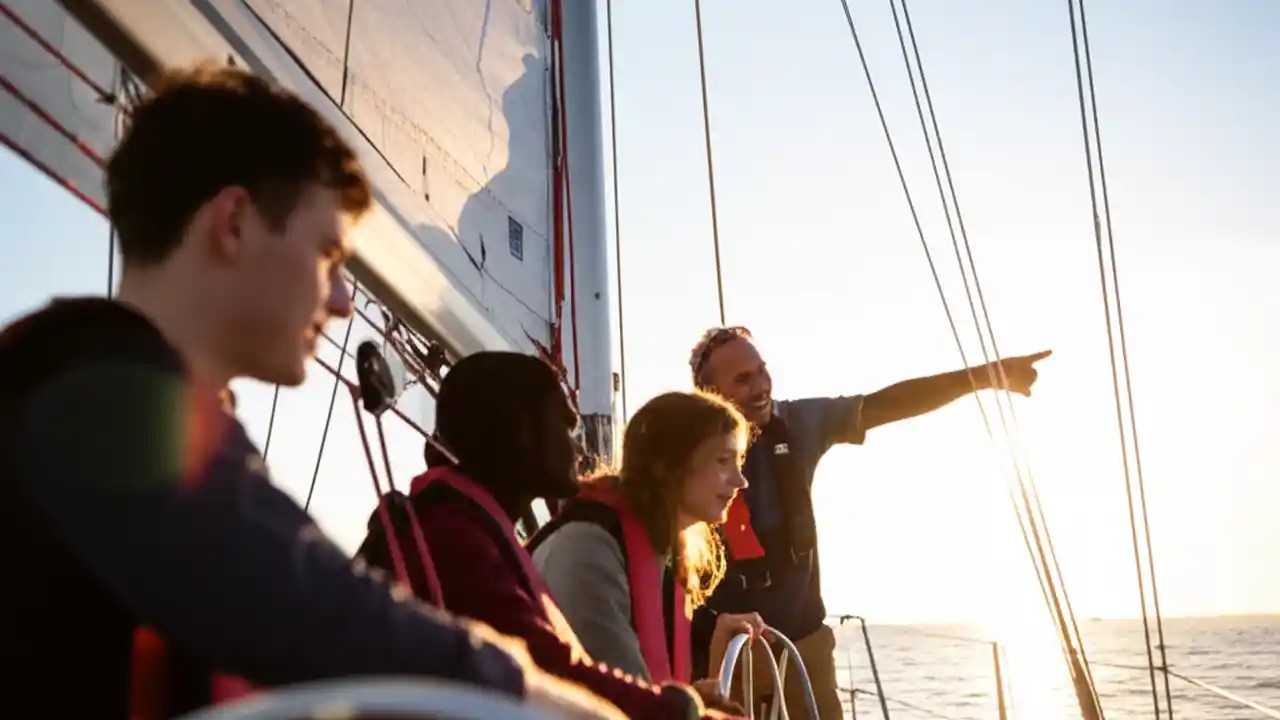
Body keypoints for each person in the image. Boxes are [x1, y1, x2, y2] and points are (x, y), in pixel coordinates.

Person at [0, 63, 620, 719]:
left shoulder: (73, 383)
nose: (344, 300)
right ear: (233, 223)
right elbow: (306, 603)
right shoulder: (101, 402)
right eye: (328, 255)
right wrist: (545, 699)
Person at [687, 325, 1052, 718]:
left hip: (804, 647)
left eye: (762, 371)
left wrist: (984, 376)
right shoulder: (683, 452)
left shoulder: (800, 423)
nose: (760, 387)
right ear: (710, 394)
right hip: (725, 651)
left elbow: (888, 404)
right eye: (743, 379)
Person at [358, 352, 742, 719]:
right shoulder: (453, 540)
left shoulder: (459, 529)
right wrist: (684, 712)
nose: (577, 446)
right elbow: (545, 672)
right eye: (564, 424)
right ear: (520, 431)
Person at [529, 390, 769, 701]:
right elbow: (613, 699)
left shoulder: (659, 554)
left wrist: (697, 695)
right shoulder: (586, 551)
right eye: (723, 461)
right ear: (667, 466)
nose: (740, 481)